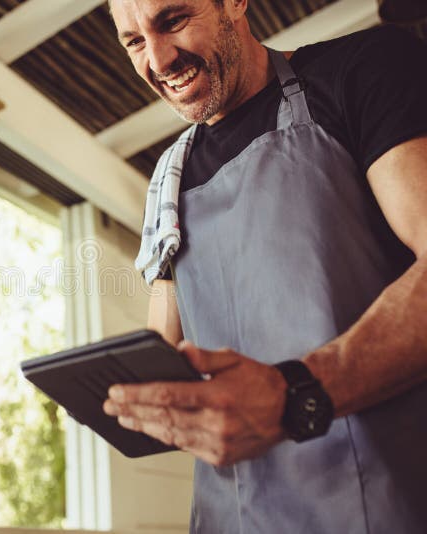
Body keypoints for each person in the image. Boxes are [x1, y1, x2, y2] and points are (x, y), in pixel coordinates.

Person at [102, 1, 427, 532]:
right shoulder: (169, 179)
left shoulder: (363, 68)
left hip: (385, 504)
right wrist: (121, 396)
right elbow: (163, 352)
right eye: (134, 41)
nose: (158, 60)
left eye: (173, 20)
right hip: (233, 517)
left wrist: (293, 396)